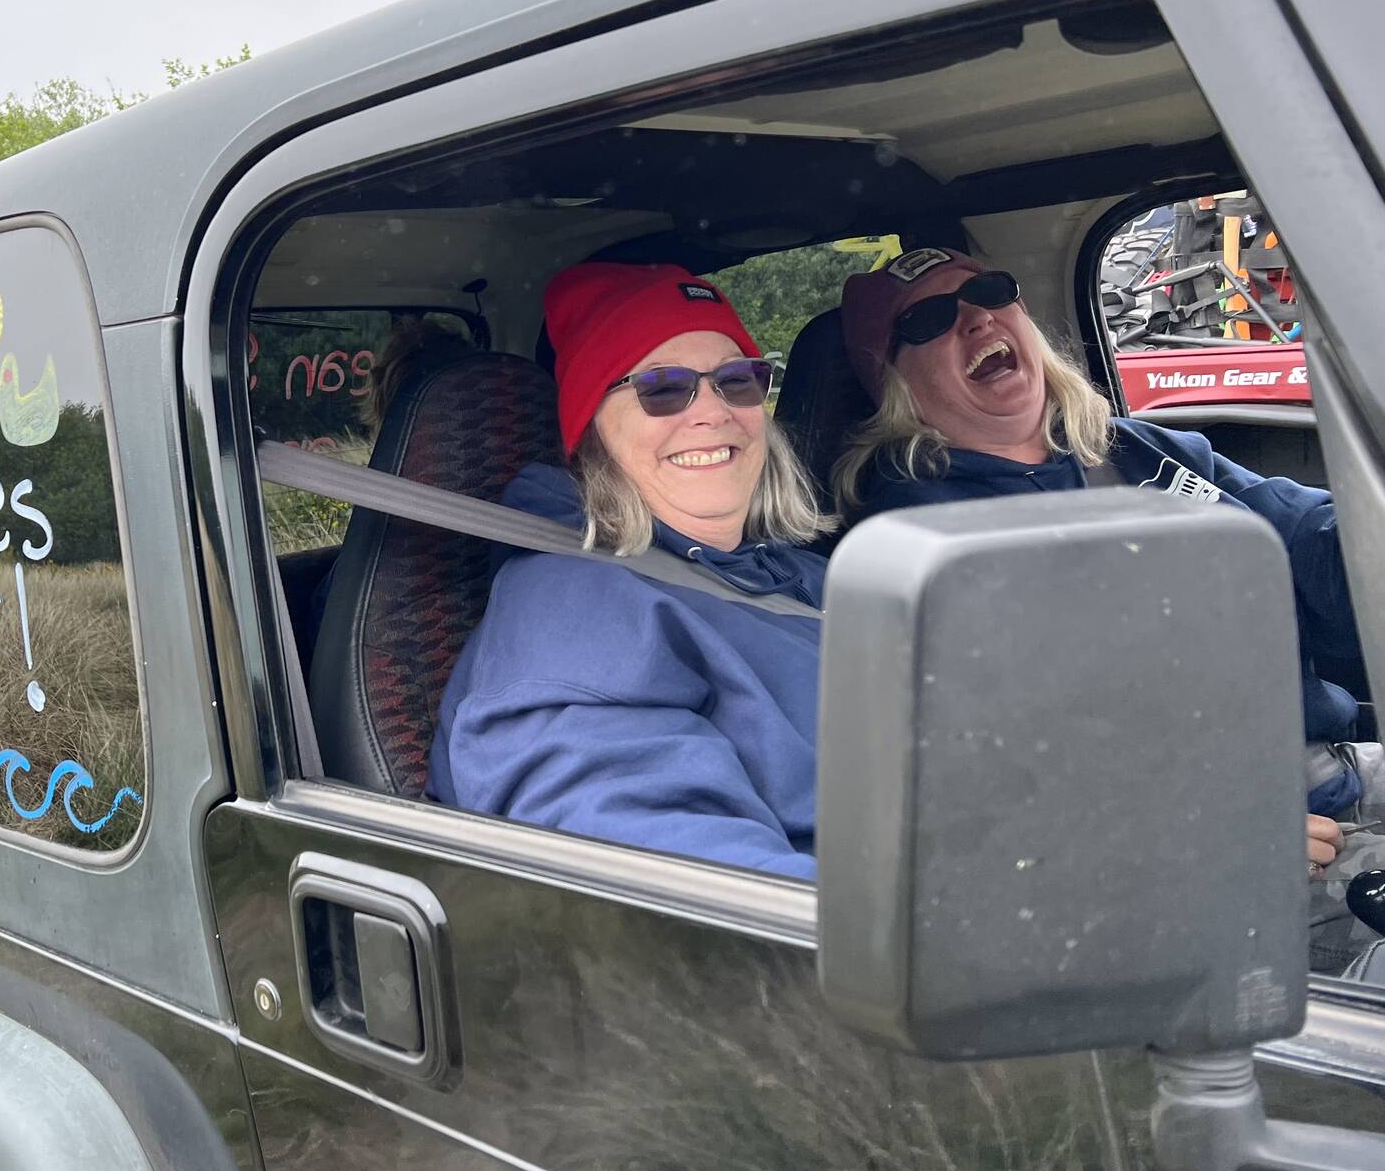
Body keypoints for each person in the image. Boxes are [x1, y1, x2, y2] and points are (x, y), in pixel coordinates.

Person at [831, 247, 1376, 884]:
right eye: (927, 320)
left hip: (1328, 766)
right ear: (896, 383)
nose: (976, 320)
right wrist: (1200, 827)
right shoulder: (920, 540)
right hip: (1222, 848)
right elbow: (1004, 764)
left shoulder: (1132, 448)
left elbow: (1309, 534)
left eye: (990, 289)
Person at [430, 262, 833, 878]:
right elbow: (679, 887)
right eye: (664, 387)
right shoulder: (569, 613)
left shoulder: (801, 572)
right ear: (593, 433)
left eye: (737, 380)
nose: (712, 412)